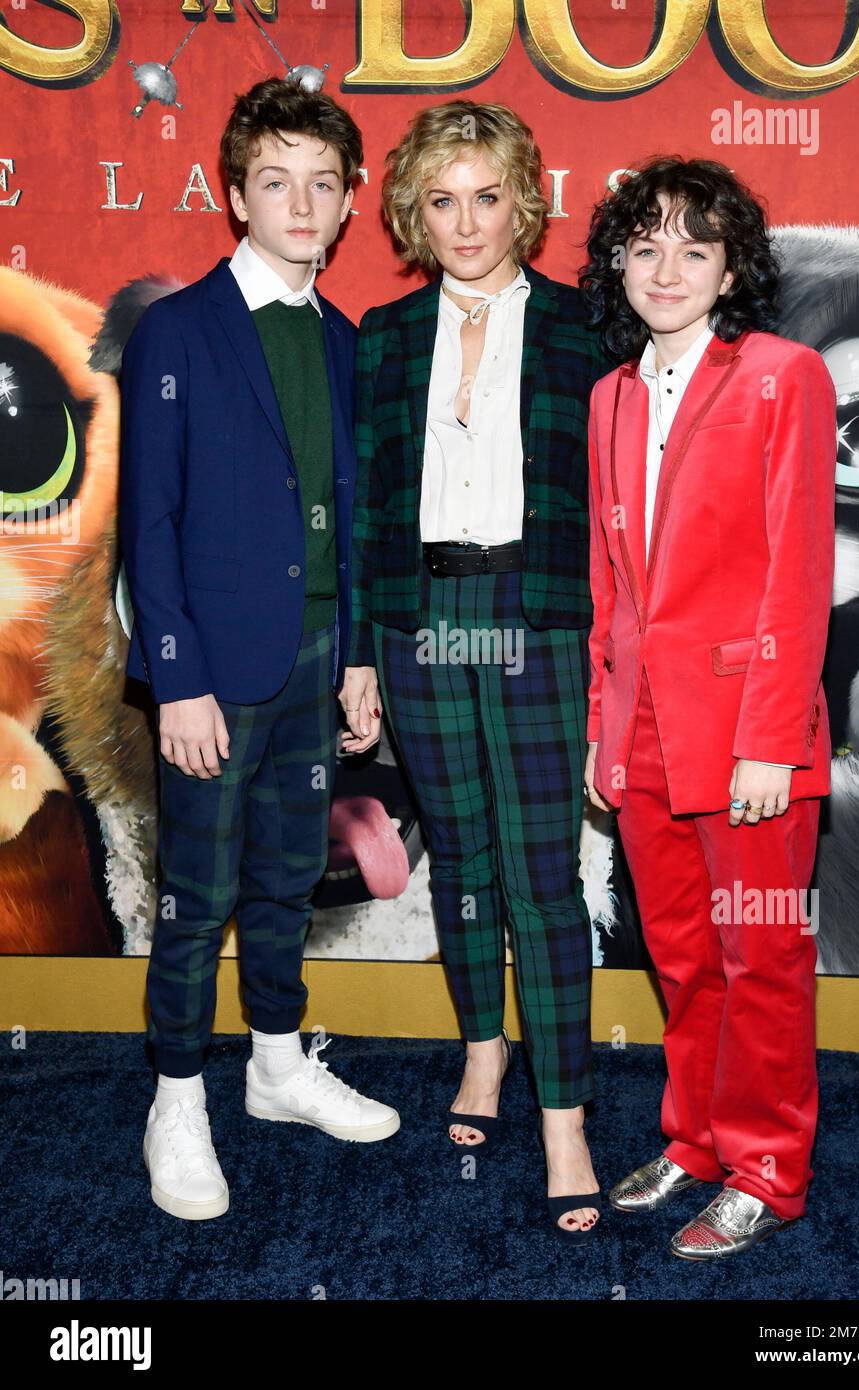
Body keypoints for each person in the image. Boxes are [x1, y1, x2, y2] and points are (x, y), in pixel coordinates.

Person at [119, 77, 399, 1222]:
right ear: (236, 194)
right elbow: (149, 522)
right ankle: (175, 1098)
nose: (300, 201)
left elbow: (358, 512)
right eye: (275, 180)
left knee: (288, 879)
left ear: (347, 205)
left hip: (320, 652)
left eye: (322, 184)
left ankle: (276, 1063)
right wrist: (174, 676)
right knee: (198, 892)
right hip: (215, 670)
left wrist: (360, 656)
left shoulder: (346, 339)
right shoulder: (176, 330)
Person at [342, 100, 613, 1243]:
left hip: (537, 612)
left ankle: (564, 1121)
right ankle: (482, 1057)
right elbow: (358, 516)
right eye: (441, 199)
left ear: (523, 204)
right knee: (460, 858)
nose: (465, 221)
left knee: (543, 875)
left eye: (486, 196)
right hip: (419, 616)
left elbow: (616, 518)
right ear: (412, 210)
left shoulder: (581, 329)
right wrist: (359, 652)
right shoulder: (382, 336)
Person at [579, 155, 836, 1258]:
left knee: (759, 959)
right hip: (642, 730)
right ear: (618, 265)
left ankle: (767, 1166)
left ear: (732, 266)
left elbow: (796, 570)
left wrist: (770, 741)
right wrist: (603, 721)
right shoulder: (609, 396)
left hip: (748, 737)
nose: (667, 267)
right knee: (681, 957)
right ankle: (693, 1140)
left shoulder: (784, 374)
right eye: (645, 246)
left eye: (694, 245)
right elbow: (609, 583)